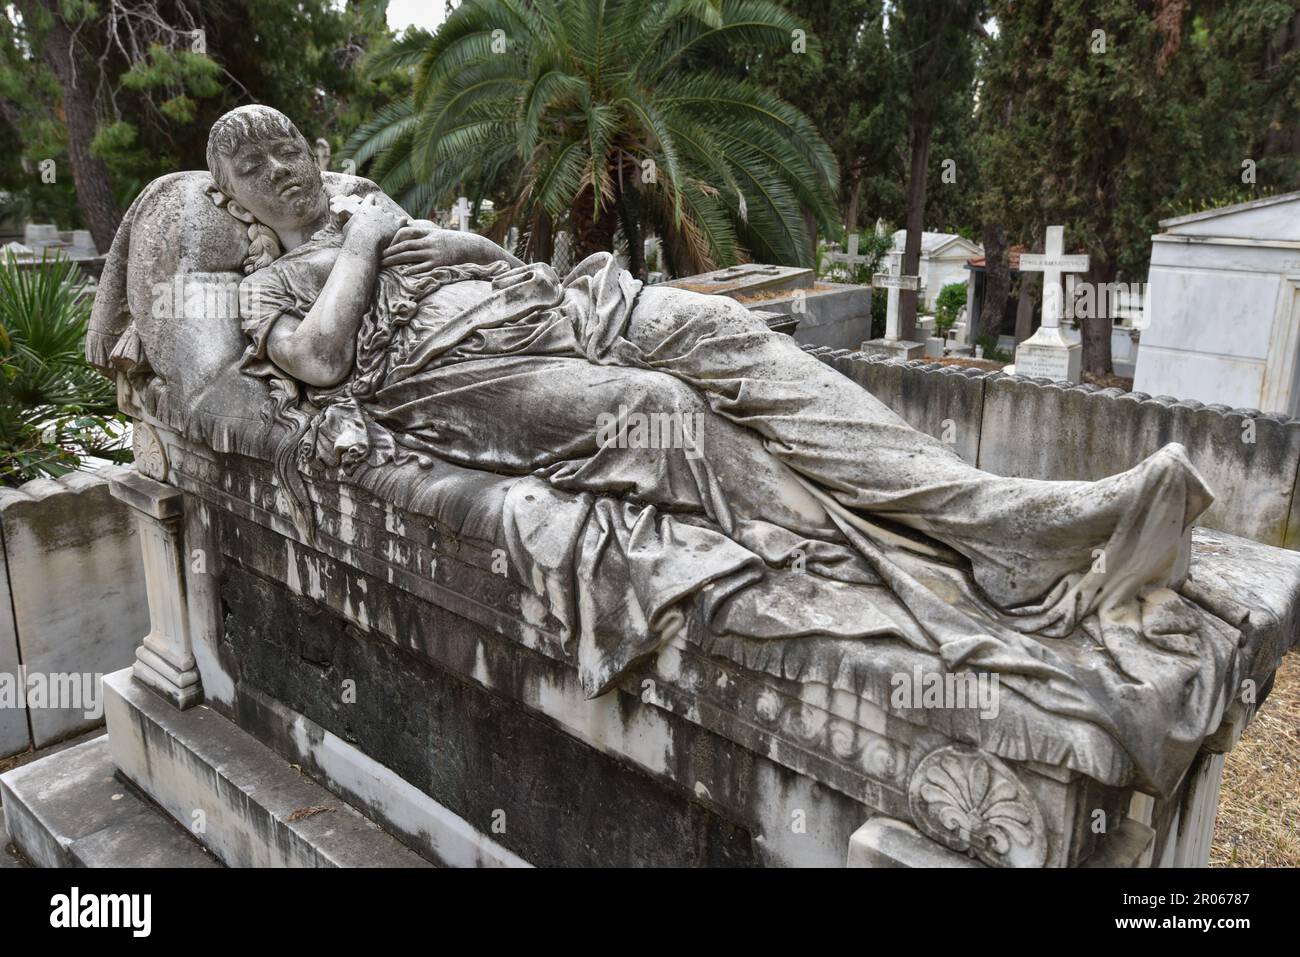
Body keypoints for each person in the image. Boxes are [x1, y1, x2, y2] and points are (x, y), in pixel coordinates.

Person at [209, 104, 1211, 646]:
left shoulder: (384, 217)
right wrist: (369, 248)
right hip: (474, 385)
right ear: (233, 199)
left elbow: (497, 262)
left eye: (289, 146)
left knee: (728, 331)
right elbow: (326, 360)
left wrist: (431, 243)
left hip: (568, 308)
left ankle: (995, 520)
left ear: (317, 149)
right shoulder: (270, 290)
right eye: (255, 168)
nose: (282, 168)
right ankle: (928, 569)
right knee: (659, 414)